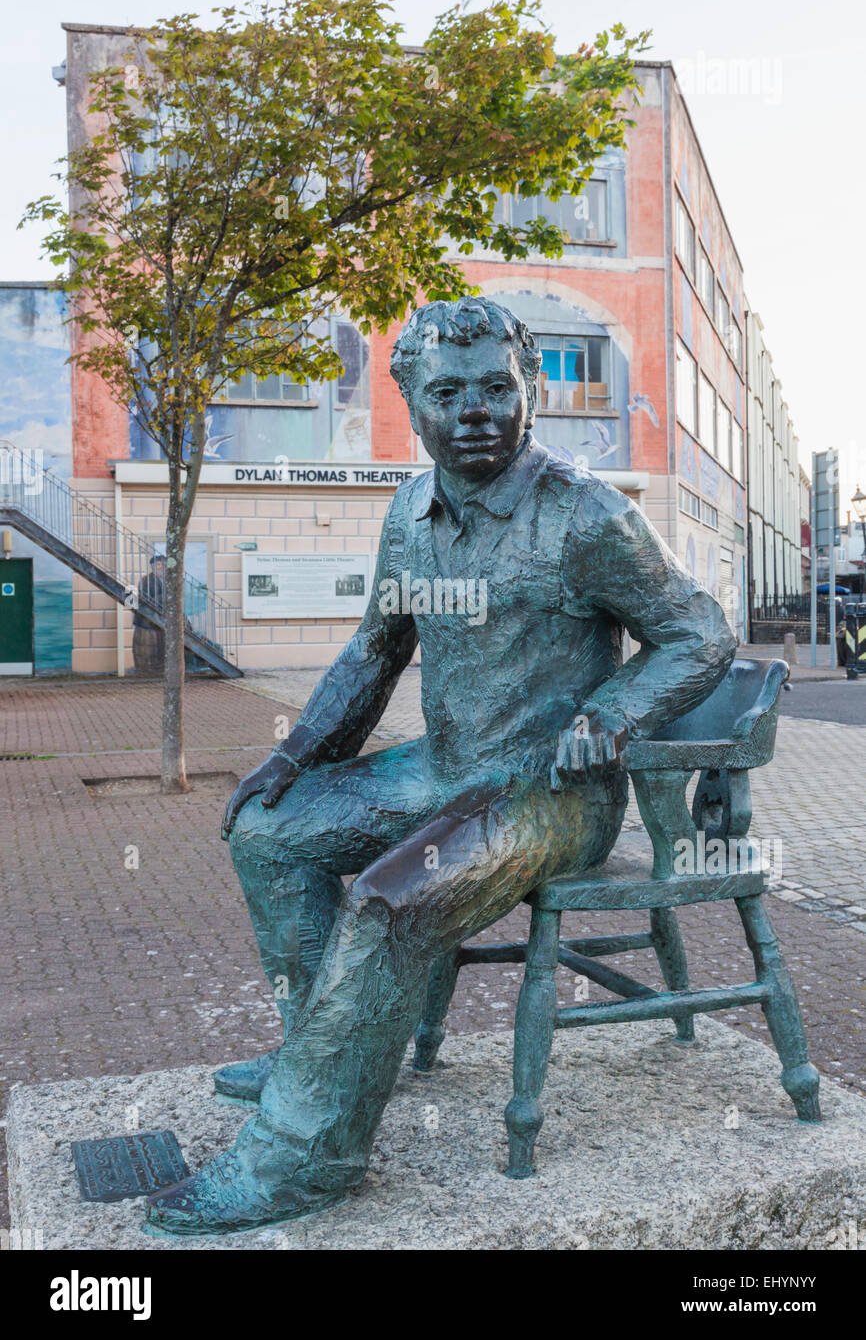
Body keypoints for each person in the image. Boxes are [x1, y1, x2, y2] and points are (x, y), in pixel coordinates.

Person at [146, 296, 736, 1234]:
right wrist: (296, 753)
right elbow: (377, 651)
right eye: (448, 393)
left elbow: (701, 632)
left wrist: (611, 712)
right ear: (413, 405)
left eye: (497, 390)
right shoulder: (409, 517)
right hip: (442, 769)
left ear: (530, 395)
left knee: (393, 898)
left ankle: (309, 1152)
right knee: (268, 830)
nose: (475, 412)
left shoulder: (588, 516)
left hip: (549, 798)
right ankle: (316, 1052)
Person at [131, 554, 166, 674]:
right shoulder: (146, 580)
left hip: (159, 619)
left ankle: (160, 667)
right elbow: (145, 599)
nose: (157, 567)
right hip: (149, 620)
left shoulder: (167, 580)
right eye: (155, 565)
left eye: (160, 564)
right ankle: (145, 669)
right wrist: (165, 598)